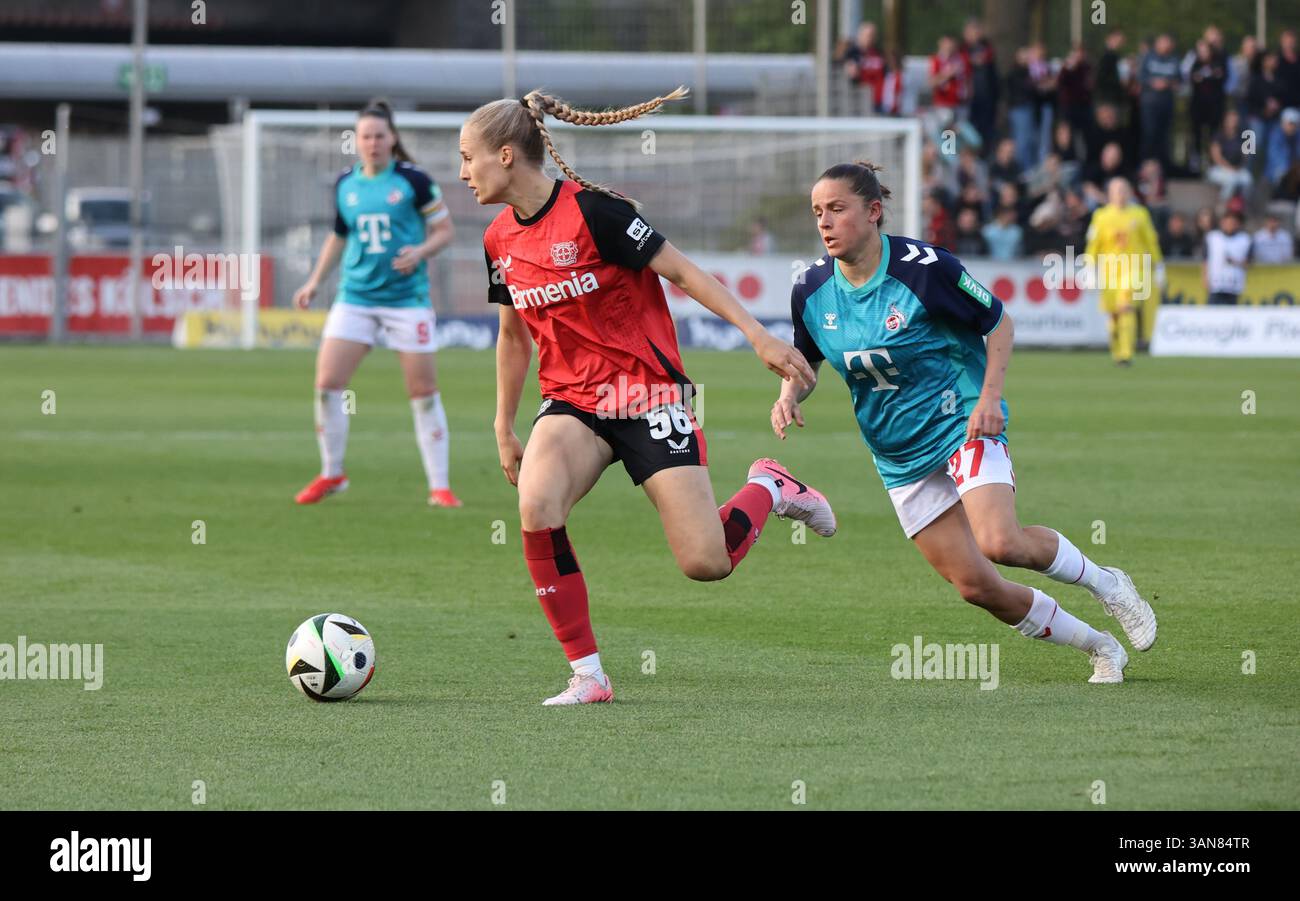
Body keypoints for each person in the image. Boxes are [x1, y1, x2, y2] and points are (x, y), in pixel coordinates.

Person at [459, 87, 836, 705]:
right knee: (536, 504)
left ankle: (769, 485)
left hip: (646, 398)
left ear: (505, 155)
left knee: (705, 563)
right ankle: (589, 675)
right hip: (573, 406)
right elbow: (511, 335)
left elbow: (684, 273)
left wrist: (756, 335)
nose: (461, 171)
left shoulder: (597, 214)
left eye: (467, 157)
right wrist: (503, 423)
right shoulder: (498, 240)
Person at [773, 160, 1155, 684]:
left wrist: (989, 400)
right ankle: (1100, 647)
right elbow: (807, 358)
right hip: (897, 453)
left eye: (837, 209)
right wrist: (789, 393)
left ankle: (1108, 584)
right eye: (818, 212)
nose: (825, 222)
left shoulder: (925, 268)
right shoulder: (811, 289)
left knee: (1001, 542)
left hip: (962, 422)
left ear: (874, 211)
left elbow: (999, 322)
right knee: (977, 587)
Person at [292, 99, 462, 508]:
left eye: (379, 135)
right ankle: (332, 473)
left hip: (406, 301)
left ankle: (439, 486)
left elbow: (445, 230)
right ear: (357, 140)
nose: (372, 143)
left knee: (422, 392)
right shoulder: (345, 184)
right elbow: (339, 235)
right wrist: (315, 281)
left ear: (393, 138)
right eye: (365, 136)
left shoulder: (414, 181)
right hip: (355, 298)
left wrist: (420, 252)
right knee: (327, 385)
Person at [1084, 177, 1162, 366]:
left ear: (1129, 192)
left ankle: (1127, 353)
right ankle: (1117, 352)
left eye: (1123, 190)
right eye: (1116, 191)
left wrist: (1158, 265)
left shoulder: (1140, 214)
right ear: (1109, 194)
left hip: (1133, 270)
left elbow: (1150, 240)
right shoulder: (1101, 216)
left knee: (1126, 307)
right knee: (1113, 316)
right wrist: (1089, 268)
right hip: (1109, 272)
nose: (1120, 195)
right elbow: (1094, 245)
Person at [1203, 210, 1252, 305]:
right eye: (1227, 222)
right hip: (1215, 284)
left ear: (1238, 224)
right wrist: (1205, 278)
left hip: (1234, 285)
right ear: (1222, 223)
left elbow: (1248, 264)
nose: (1229, 225)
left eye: (1232, 223)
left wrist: (1236, 262)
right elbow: (1205, 260)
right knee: (1212, 314)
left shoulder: (1245, 239)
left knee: (1231, 315)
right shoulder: (1212, 237)